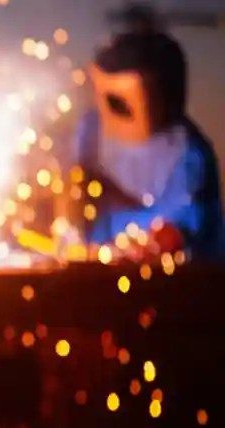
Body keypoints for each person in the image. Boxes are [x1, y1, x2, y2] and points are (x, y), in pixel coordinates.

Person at [71, 18, 225, 262]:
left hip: (180, 279)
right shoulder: (89, 130)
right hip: (97, 271)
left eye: (118, 101)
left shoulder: (188, 156)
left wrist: (159, 240)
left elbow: (176, 234)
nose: (109, 111)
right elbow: (72, 195)